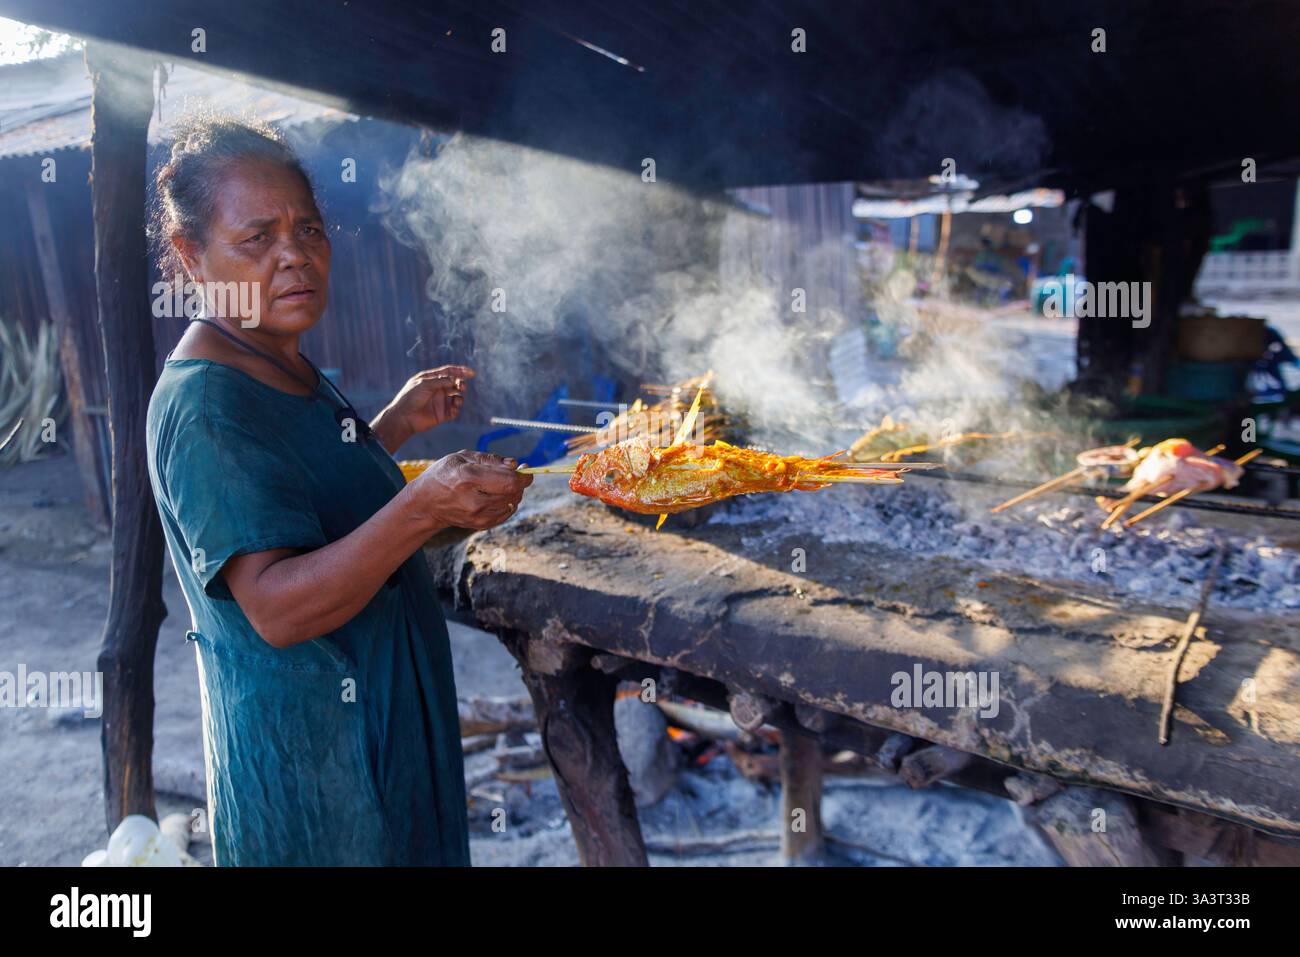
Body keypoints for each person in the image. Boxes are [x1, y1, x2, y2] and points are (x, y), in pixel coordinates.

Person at [144, 114, 532, 865]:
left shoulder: (277, 359)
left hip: (379, 746)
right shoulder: (206, 406)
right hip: (321, 785)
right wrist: (422, 507)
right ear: (193, 257)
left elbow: (302, 496)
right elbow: (279, 606)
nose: (295, 257)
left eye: (310, 230)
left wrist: (391, 425)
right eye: (258, 238)